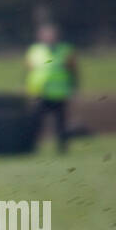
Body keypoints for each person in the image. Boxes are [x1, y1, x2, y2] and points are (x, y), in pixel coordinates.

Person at [26, 23, 78, 153]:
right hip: (40, 93)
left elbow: (73, 70)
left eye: (51, 35)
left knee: (61, 123)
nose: (49, 38)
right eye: (46, 35)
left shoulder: (65, 50)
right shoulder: (35, 51)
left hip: (59, 93)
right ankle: (32, 147)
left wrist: (73, 87)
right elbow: (29, 70)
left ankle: (62, 148)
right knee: (36, 122)